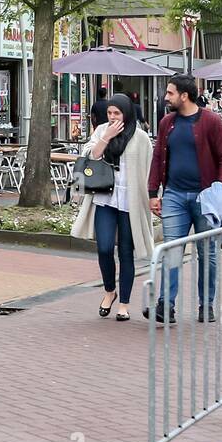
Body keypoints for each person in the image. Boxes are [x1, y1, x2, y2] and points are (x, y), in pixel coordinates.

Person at [147, 74, 222, 324]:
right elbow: (157, 158)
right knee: (171, 249)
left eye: (170, 93)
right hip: (174, 195)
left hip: (205, 197)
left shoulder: (211, 121)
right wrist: (154, 193)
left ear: (184, 96)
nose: (166, 97)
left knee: (207, 253)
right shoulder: (167, 123)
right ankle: (166, 305)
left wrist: (220, 188)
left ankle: (206, 304)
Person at [71, 93, 153, 322]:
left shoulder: (141, 137)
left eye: (117, 113)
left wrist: (154, 197)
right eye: (109, 113)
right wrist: (105, 136)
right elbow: (91, 156)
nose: (113, 117)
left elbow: (149, 170)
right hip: (105, 197)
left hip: (130, 200)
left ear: (127, 113)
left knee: (126, 252)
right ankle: (110, 291)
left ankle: (124, 304)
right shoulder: (100, 132)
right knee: (104, 247)